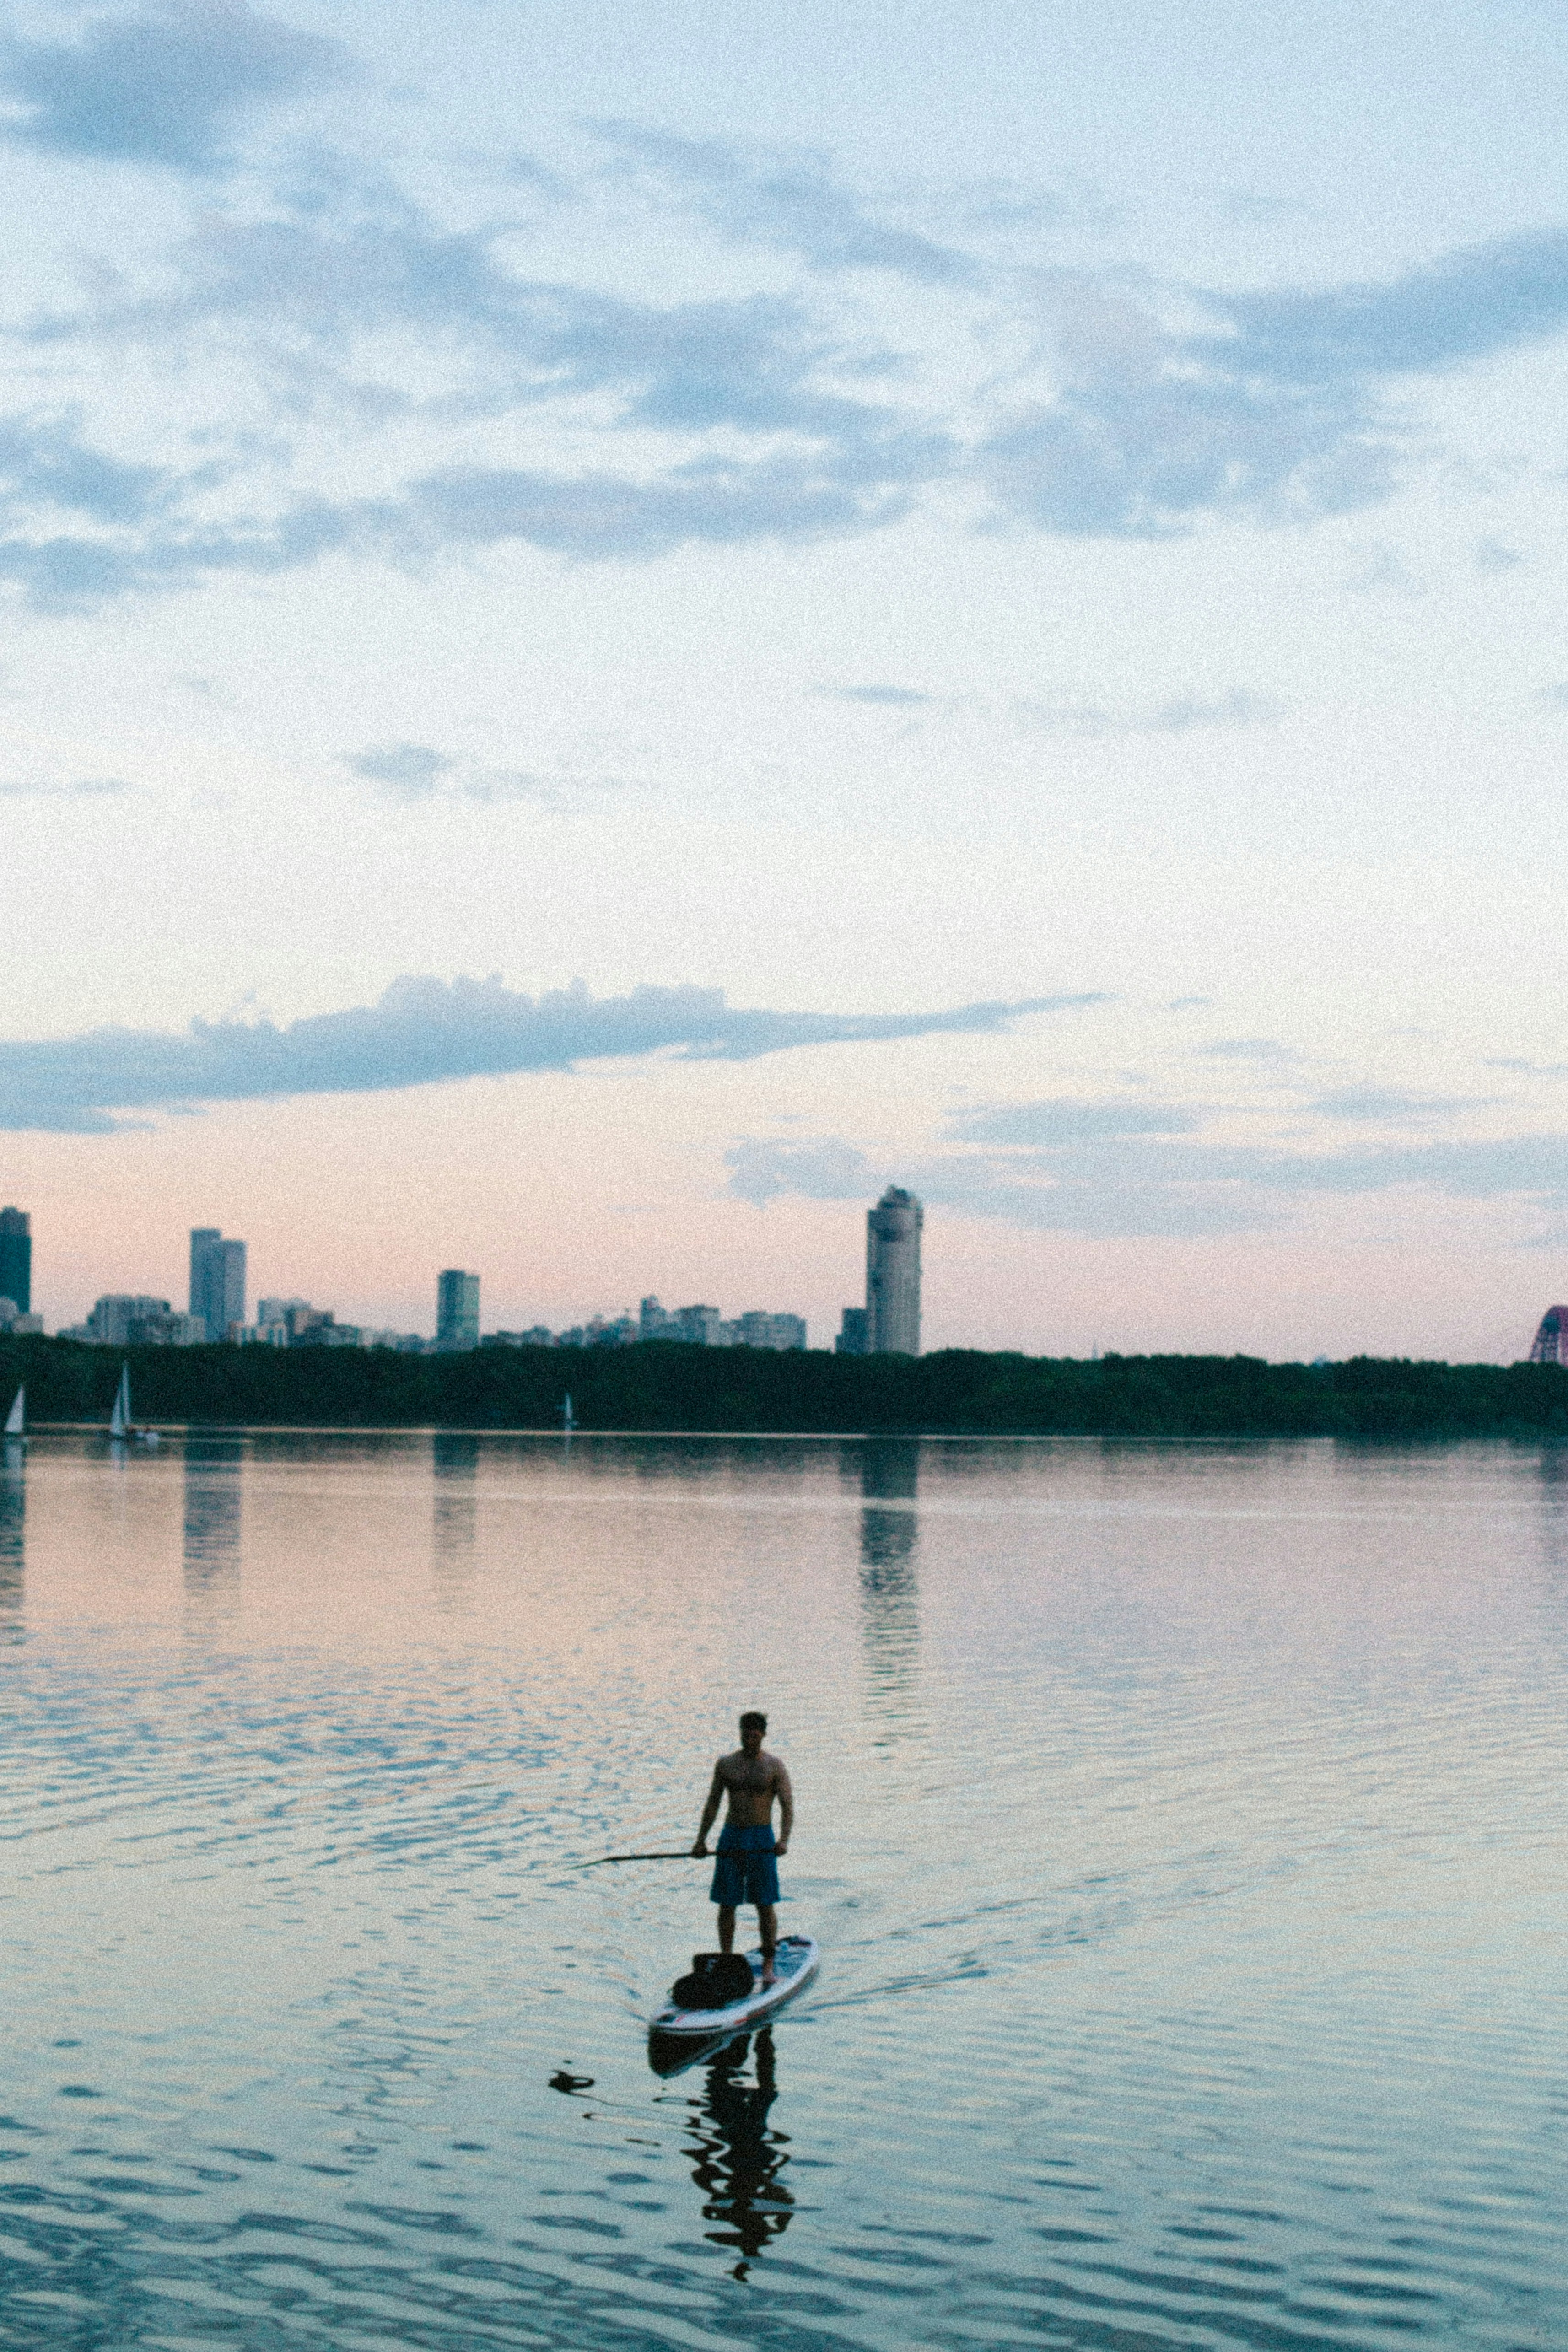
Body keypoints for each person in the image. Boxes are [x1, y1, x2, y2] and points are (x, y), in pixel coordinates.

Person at [692, 1711, 793, 1984]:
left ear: (763, 1734)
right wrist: (701, 1840)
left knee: (765, 1903)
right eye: (745, 1733)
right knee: (727, 1903)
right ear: (740, 1733)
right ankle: (727, 1960)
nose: (749, 1738)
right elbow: (713, 1803)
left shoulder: (775, 1766)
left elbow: (787, 1805)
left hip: (761, 1838)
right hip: (731, 1837)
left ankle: (769, 1965)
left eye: (754, 1733)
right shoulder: (726, 1765)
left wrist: (783, 1840)